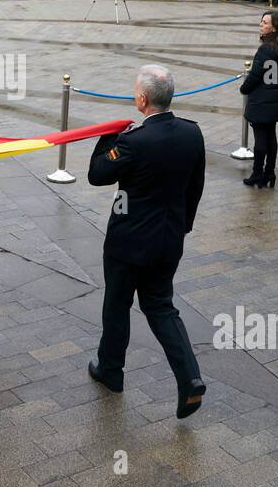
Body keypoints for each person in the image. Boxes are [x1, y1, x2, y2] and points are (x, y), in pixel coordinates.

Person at [86, 64, 207, 419]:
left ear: (141, 99)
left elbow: (97, 175)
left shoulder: (134, 142)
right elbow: (194, 187)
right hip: (168, 240)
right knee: (161, 308)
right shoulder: (192, 133)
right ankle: (190, 379)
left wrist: (108, 137)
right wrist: (183, 226)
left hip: (128, 242)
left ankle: (111, 370)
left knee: (117, 304)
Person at [240, 12, 278, 187]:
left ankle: (257, 173)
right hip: (276, 97)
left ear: (274, 27)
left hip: (262, 98)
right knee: (271, 136)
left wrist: (244, 88)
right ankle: (270, 172)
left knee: (260, 140)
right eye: (261, 21)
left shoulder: (266, 48)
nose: (260, 24)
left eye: (265, 22)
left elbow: (255, 74)